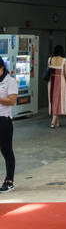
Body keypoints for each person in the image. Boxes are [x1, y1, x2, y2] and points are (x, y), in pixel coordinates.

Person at [0, 55, 17, 192]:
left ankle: (9, 180)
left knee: (6, 150)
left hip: (3, 120)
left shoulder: (10, 81)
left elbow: (11, 101)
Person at [47, 44, 66, 128]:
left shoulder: (50, 59)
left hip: (51, 81)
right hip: (61, 81)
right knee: (58, 100)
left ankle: (58, 122)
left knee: (53, 100)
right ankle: (53, 122)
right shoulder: (64, 60)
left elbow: (48, 70)